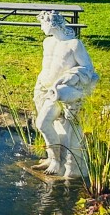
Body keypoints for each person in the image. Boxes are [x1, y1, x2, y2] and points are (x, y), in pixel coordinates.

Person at [32, 11, 99, 179]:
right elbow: (46, 66)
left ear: (52, 24)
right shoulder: (47, 42)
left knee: (42, 123)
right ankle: (51, 157)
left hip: (59, 93)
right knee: (48, 125)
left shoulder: (74, 44)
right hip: (42, 89)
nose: (41, 27)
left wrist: (69, 78)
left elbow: (87, 69)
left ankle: (56, 161)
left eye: (43, 24)